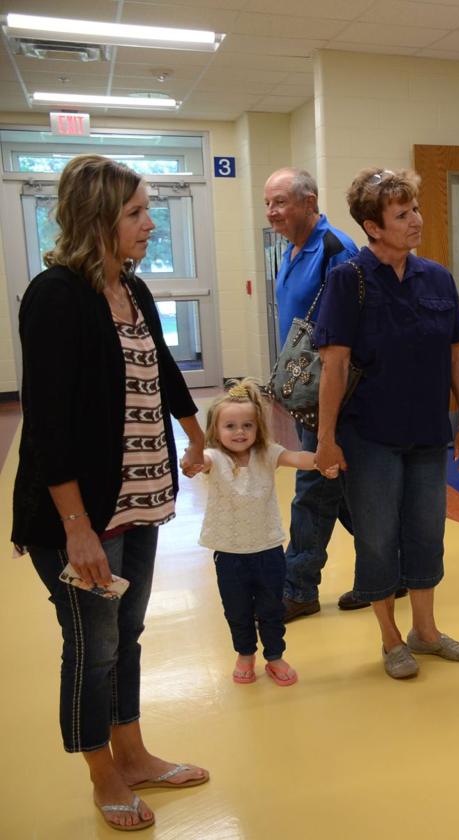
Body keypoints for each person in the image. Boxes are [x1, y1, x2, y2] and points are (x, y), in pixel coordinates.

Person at [12, 154, 210, 831]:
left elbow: (162, 369)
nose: (150, 223)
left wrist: (196, 433)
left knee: (127, 635)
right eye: (136, 213)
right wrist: (75, 527)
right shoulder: (56, 295)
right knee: (91, 646)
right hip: (82, 514)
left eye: (148, 210)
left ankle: (134, 752)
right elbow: (48, 424)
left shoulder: (134, 288)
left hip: (144, 501)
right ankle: (102, 771)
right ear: (97, 219)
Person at [313, 167, 459, 680]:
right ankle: (389, 637)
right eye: (402, 215)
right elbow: (334, 364)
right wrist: (324, 439)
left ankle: (425, 632)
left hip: (428, 431)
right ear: (372, 226)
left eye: (416, 210)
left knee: (427, 531)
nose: (416, 221)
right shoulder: (348, 279)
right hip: (368, 435)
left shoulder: (437, 277)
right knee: (378, 536)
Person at [264, 167, 400, 620]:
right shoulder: (292, 248)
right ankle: (387, 572)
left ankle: (298, 586)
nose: (272, 212)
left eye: (280, 201)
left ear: (309, 200)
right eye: (268, 203)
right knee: (339, 492)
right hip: (305, 392)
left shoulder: (335, 250)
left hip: (333, 395)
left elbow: (352, 330)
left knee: (313, 488)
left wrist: (331, 410)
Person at [194, 379, 318, 687]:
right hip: (230, 554)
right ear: (216, 430)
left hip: (267, 550)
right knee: (237, 609)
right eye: (231, 426)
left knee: (271, 608)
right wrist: (193, 460)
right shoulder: (216, 458)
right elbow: (202, 460)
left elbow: (298, 458)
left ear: (258, 428)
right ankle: (245, 654)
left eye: (247, 425)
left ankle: (274, 656)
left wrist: (322, 460)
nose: (239, 432)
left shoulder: (267, 454)